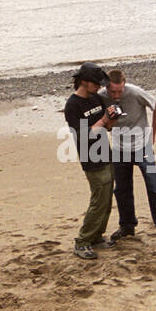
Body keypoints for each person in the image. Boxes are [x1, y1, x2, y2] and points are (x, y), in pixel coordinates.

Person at [102, 68, 156, 244]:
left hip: (143, 148)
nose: (116, 95)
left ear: (124, 85)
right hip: (119, 149)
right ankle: (127, 226)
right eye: (113, 92)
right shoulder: (102, 96)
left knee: (153, 186)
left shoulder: (135, 93)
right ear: (107, 88)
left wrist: (153, 133)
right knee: (121, 189)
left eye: (119, 91)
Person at [65, 62, 118, 259]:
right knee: (98, 200)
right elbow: (83, 135)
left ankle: (96, 236)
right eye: (96, 83)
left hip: (106, 152)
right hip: (91, 157)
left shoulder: (96, 98)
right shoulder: (73, 105)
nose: (99, 87)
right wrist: (104, 121)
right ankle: (82, 241)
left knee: (107, 198)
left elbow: (107, 126)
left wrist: (112, 118)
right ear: (84, 82)